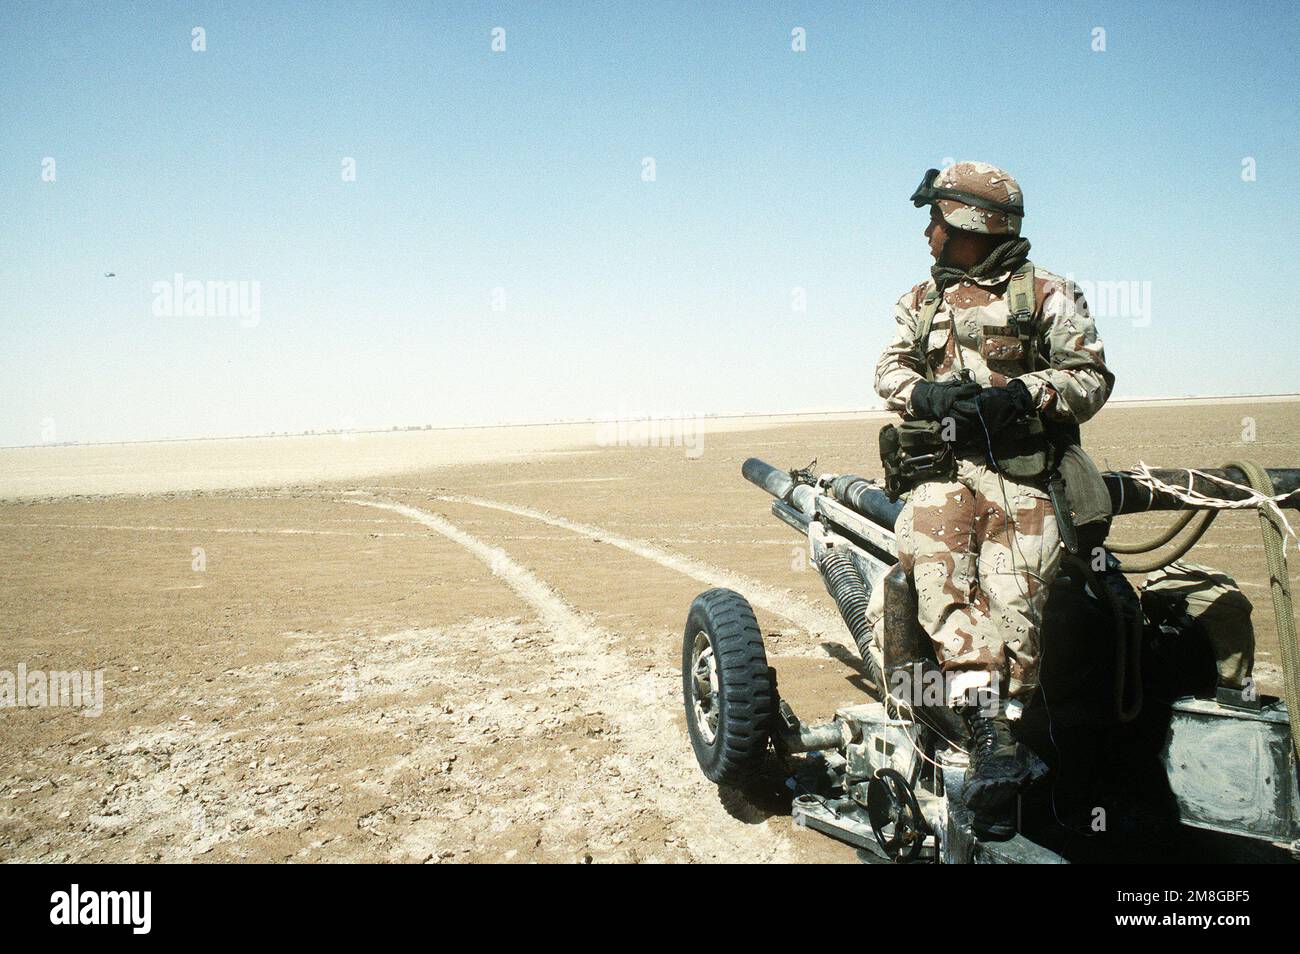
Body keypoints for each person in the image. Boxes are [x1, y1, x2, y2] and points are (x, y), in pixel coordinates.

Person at [869, 161, 1115, 829]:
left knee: (1014, 596)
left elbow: (1089, 378)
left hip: (1025, 470)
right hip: (944, 470)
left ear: (973, 226)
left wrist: (1025, 395)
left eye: (939, 221)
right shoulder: (920, 302)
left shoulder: (1050, 294)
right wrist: (924, 393)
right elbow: (888, 369)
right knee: (940, 578)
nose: (929, 234)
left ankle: (1003, 747)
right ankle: (989, 738)